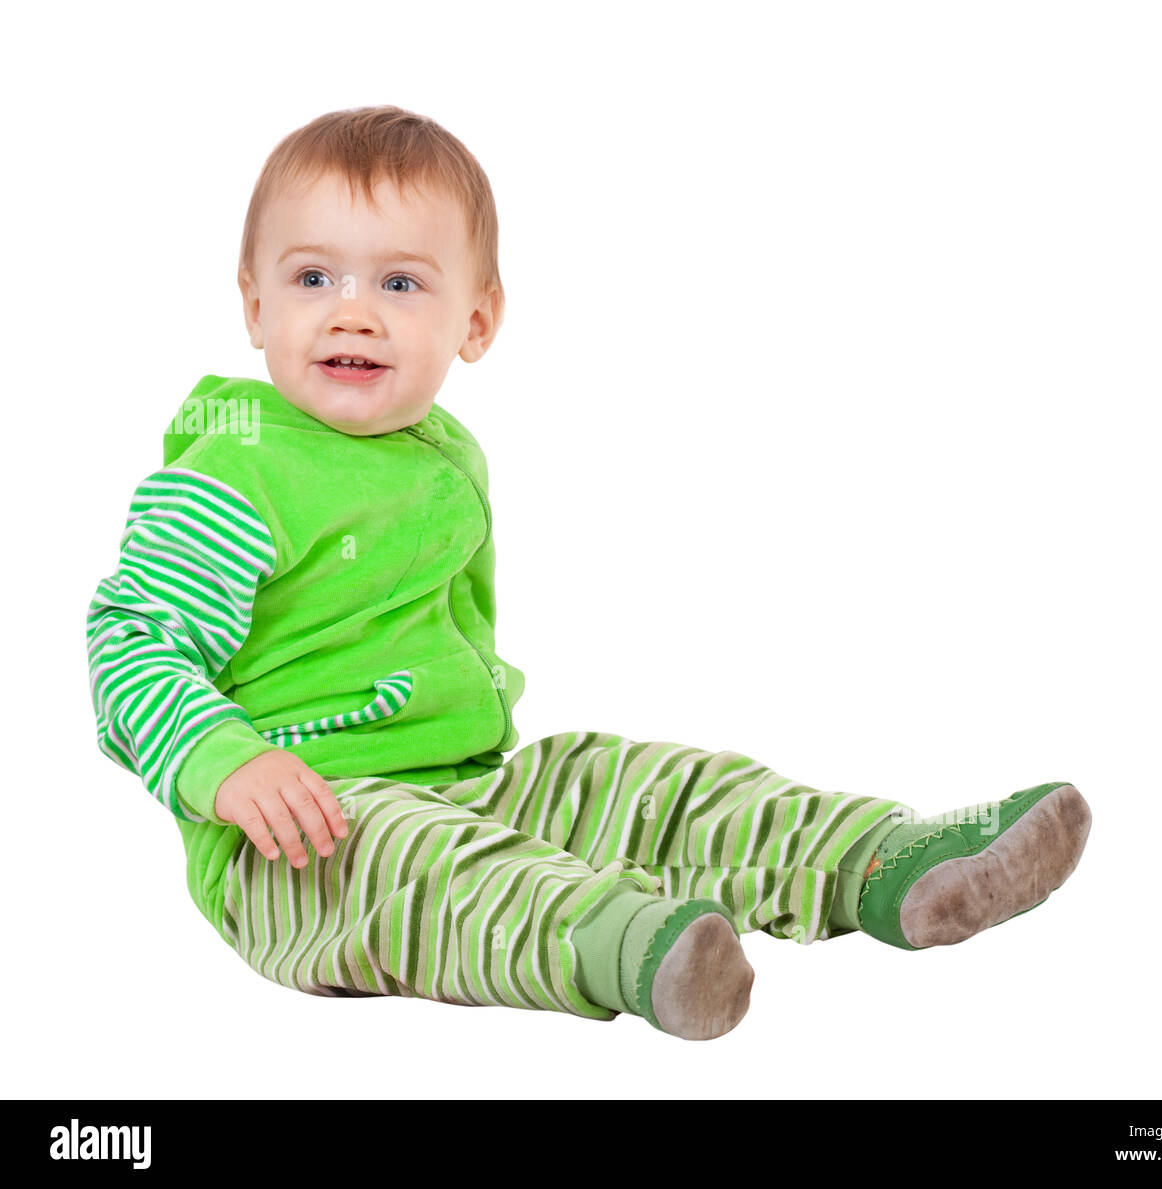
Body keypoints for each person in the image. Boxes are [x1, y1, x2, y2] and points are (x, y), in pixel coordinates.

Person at [86, 105, 1092, 1041]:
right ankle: (616, 943)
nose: (352, 314)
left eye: (398, 283)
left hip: (476, 781)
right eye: (313, 279)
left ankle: (881, 860)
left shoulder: (436, 450)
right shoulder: (233, 471)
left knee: (635, 780)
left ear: (475, 323)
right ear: (253, 303)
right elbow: (131, 644)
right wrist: (226, 763)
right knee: (428, 871)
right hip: (302, 839)